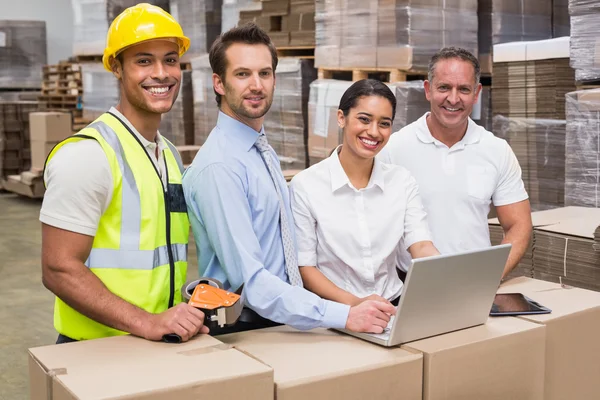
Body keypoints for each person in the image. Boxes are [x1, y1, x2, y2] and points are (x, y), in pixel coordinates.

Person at [182, 23, 395, 335]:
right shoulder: (220, 167)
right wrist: (342, 314)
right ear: (218, 83)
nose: (256, 85)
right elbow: (252, 283)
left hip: (282, 316)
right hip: (248, 328)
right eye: (242, 74)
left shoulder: (258, 149)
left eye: (264, 73)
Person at [40, 4, 208, 344]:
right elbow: (58, 268)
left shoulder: (170, 156)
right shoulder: (89, 155)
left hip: (153, 339)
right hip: (97, 348)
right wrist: (146, 322)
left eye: (170, 60)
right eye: (143, 60)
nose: (161, 73)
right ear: (116, 68)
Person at [379, 47, 532, 278]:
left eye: (463, 89)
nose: (453, 98)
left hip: (473, 282)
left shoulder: (496, 150)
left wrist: (490, 276)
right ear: (428, 90)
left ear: (477, 93)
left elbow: (518, 225)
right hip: (408, 282)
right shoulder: (393, 149)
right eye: (444, 87)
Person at [290, 79, 440, 306]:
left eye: (384, 123)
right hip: (335, 311)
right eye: (364, 119)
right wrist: (357, 305)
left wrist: (447, 275)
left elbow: (420, 245)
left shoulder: (402, 181)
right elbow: (306, 268)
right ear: (341, 118)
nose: (374, 132)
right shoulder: (306, 185)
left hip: (393, 305)